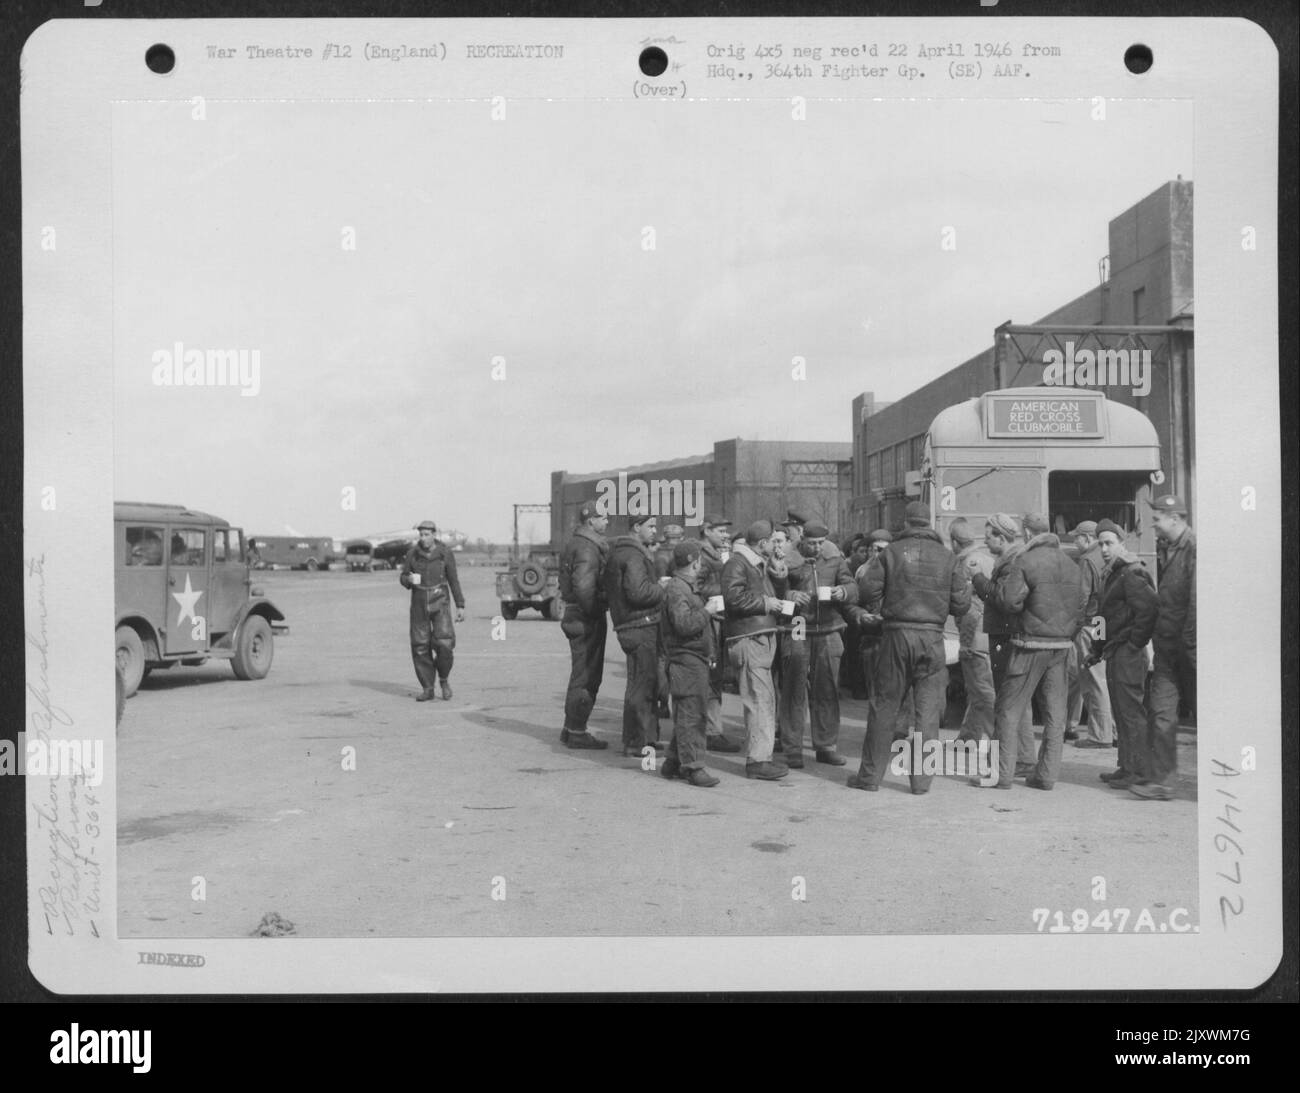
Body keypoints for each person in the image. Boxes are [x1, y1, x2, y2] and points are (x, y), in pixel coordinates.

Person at [848, 502, 969, 794]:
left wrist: (888, 602)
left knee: (884, 707)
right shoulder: (948, 557)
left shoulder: (891, 552)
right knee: (927, 713)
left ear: (906, 522)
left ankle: (869, 778)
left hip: (896, 636)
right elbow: (962, 605)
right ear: (928, 524)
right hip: (932, 638)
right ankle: (921, 783)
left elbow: (867, 591)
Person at [973, 513, 1085, 790]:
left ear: (1025, 532)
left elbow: (1009, 602)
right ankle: (1046, 776)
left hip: (1029, 645)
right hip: (1061, 647)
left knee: (1008, 710)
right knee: (1054, 715)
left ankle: (1002, 774)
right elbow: (1083, 604)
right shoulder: (1071, 563)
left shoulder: (1026, 560)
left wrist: (979, 583)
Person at [1131, 495, 1196, 801]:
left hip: (1190, 649)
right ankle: (1162, 782)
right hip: (1168, 648)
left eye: (1157, 519)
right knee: (1161, 712)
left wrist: (1192, 645)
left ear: (1174, 518)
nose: (1153, 525)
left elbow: (1197, 601)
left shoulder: (1194, 548)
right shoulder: (1167, 548)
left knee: (1206, 717)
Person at [775, 521, 855, 767]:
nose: (817, 548)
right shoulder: (788, 559)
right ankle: (792, 749)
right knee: (793, 690)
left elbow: (852, 585)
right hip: (797, 625)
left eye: (820, 543)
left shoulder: (834, 557)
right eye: (812, 543)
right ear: (802, 539)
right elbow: (774, 589)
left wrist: (844, 591)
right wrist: (789, 596)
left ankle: (826, 746)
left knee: (828, 690)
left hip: (829, 628)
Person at [1090, 520, 1158, 790]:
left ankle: (1139, 771)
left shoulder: (1132, 572)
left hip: (1127, 652)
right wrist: (1095, 650)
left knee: (1131, 712)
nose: (1104, 548)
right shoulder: (1111, 573)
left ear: (1121, 543)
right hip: (1115, 651)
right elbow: (1101, 617)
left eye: (1109, 543)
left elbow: (1150, 611)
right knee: (1121, 709)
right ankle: (1127, 766)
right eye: (1101, 544)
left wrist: (1133, 644)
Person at [967, 514, 1036, 775]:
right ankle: (1023, 757)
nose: (986, 542)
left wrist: (977, 578)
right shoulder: (1011, 559)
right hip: (1007, 635)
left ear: (1001, 537)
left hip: (1005, 636)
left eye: (988, 537)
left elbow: (1001, 599)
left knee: (1009, 700)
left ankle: (1019, 759)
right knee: (1015, 699)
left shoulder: (1011, 563)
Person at [722, 520, 790, 780]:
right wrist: (765, 603)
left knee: (763, 698)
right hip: (749, 638)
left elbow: (774, 595)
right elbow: (734, 597)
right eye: (773, 540)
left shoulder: (755, 564)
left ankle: (762, 756)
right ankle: (758, 760)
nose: (776, 545)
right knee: (759, 700)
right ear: (762, 543)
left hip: (758, 636)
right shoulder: (738, 563)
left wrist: (778, 570)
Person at [659, 542, 721, 787]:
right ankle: (693, 767)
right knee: (691, 715)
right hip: (685, 660)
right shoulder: (678, 590)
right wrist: (706, 611)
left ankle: (673, 761)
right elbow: (684, 625)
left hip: (693, 658)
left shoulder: (683, 587)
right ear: (695, 563)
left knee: (690, 711)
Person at [605, 514, 666, 756]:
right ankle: (636, 741)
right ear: (636, 527)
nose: (654, 530)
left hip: (631, 625)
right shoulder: (633, 555)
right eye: (650, 526)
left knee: (642, 682)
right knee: (642, 685)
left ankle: (645, 739)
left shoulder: (622, 552)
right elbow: (638, 593)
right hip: (640, 626)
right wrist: (661, 588)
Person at [557, 501, 611, 749]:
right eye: (604, 518)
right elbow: (584, 587)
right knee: (587, 676)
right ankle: (578, 731)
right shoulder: (589, 548)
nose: (607, 522)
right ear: (591, 521)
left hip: (574, 615)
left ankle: (571, 728)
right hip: (585, 618)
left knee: (579, 674)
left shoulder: (574, 543)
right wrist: (597, 610)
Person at [399, 520, 466, 702]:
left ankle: (443, 680)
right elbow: (403, 577)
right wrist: (408, 579)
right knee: (420, 646)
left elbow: (454, 580)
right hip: (419, 603)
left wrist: (460, 605)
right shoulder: (412, 554)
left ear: (434, 534)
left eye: (427, 534)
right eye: (421, 534)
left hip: (440, 602)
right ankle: (428, 688)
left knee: (445, 644)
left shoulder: (445, 553)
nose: (423, 538)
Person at [1066, 521, 1116, 748]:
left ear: (1087, 538)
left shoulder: (1087, 559)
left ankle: (1100, 735)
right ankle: (1112, 731)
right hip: (1102, 622)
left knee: (1092, 679)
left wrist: (1071, 627)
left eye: (1076, 538)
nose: (1074, 542)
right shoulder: (1105, 554)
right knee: (1102, 677)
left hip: (1089, 623)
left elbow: (1081, 598)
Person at [697, 513, 742, 753]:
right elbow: (696, 586)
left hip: (717, 619)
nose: (726, 536)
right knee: (711, 674)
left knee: (715, 675)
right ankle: (711, 732)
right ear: (707, 530)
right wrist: (726, 590)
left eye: (726, 532)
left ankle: (711, 729)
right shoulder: (701, 555)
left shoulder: (717, 554)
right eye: (721, 531)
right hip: (708, 620)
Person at [949, 518, 996, 744]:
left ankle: (1000, 740)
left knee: (981, 691)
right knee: (978, 689)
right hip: (989, 634)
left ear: (955, 542)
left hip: (975, 636)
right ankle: (968, 737)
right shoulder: (987, 559)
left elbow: (966, 609)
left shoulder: (964, 565)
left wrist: (965, 644)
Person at [652, 524, 685, 719]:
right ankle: (675, 701)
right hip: (677, 607)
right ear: (680, 537)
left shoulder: (657, 555)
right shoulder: (679, 555)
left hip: (659, 609)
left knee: (661, 658)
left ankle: (662, 702)